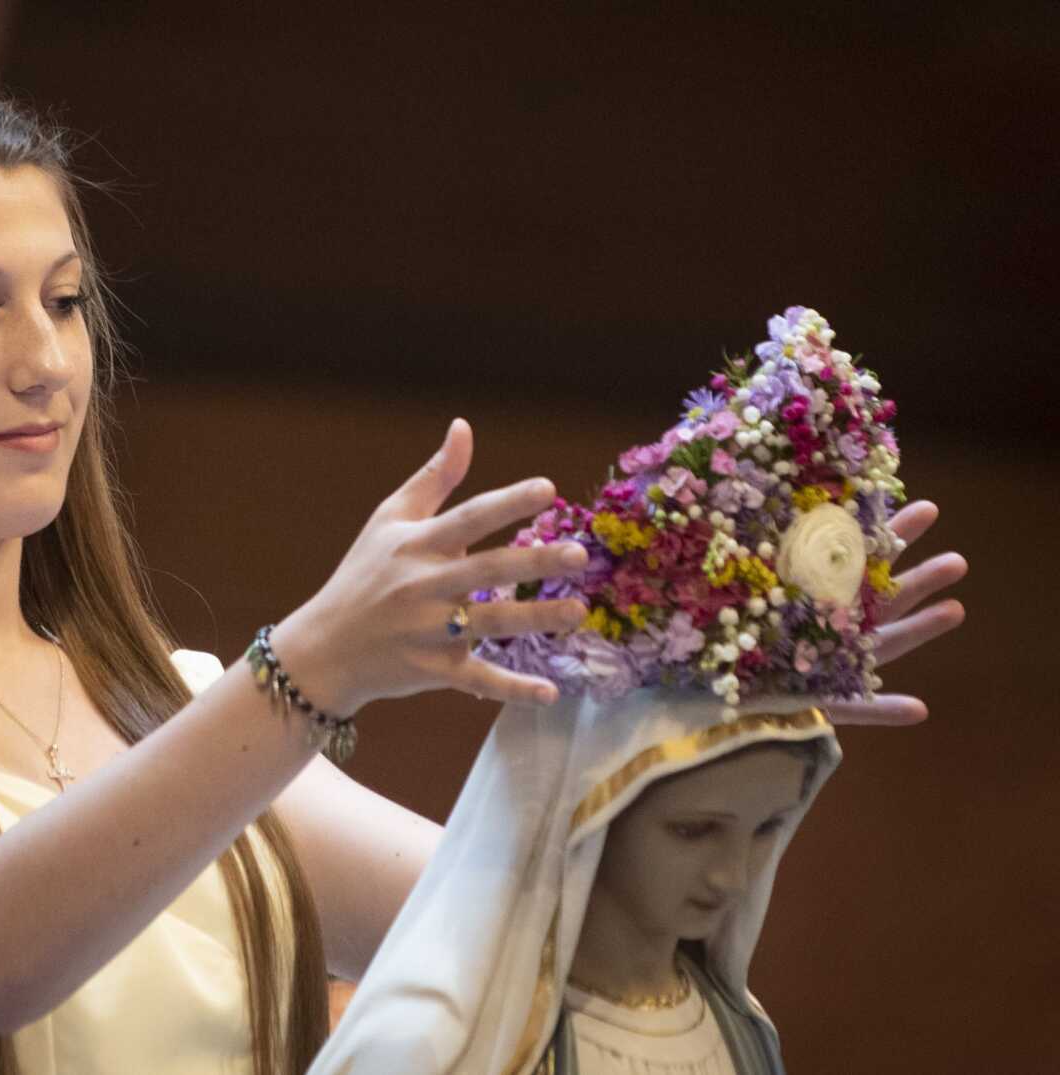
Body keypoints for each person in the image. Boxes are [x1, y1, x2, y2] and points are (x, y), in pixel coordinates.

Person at [0, 80, 966, 1075]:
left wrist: (711, 692)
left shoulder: (177, 706)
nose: (47, 360)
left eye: (69, 300)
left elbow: (539, 917)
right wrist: (309, 664)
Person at [307, 308, 941, 1073]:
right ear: (591, 807)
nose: (731, 873)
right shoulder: (434, 1041)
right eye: (693, 829)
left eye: (768, 826)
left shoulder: (737, 1031)